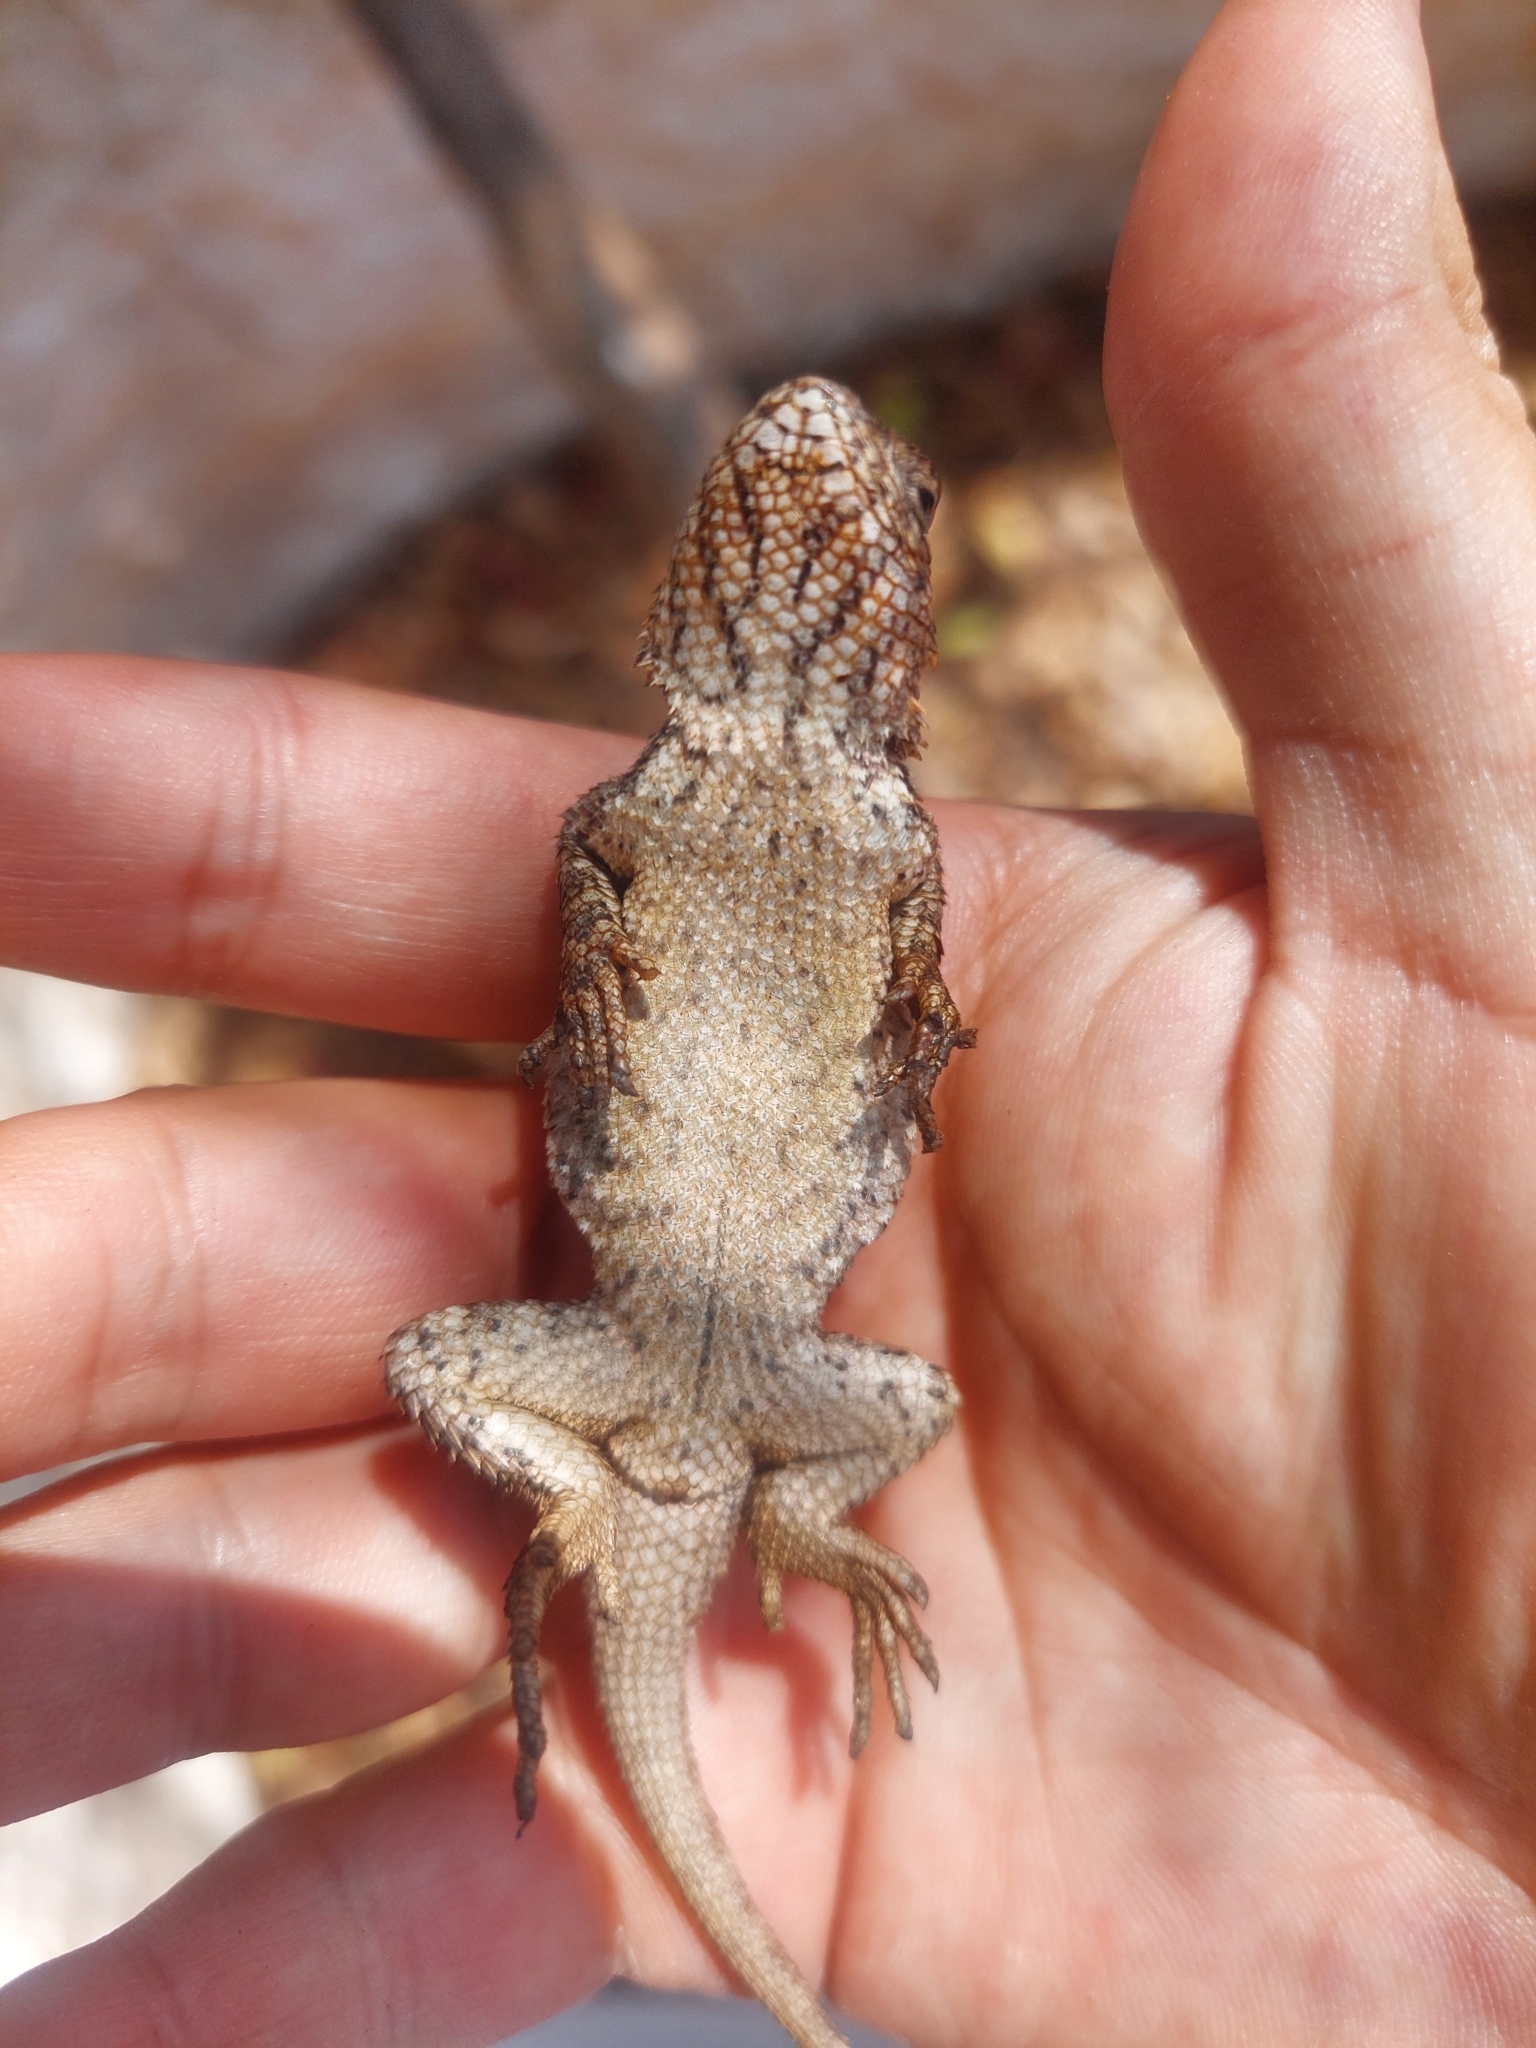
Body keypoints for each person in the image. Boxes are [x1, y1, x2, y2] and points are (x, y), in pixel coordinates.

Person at [6, 0, 1536, 2037]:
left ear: (696, 603)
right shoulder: (901, 846)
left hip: (640, 1354)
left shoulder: (629, 815)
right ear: (890, 633)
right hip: (761, 1379)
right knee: (881, 1403)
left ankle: (624, 1514)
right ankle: (775, 1526)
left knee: (434, 1350)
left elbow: (609, 1008)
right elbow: (909, 1043)